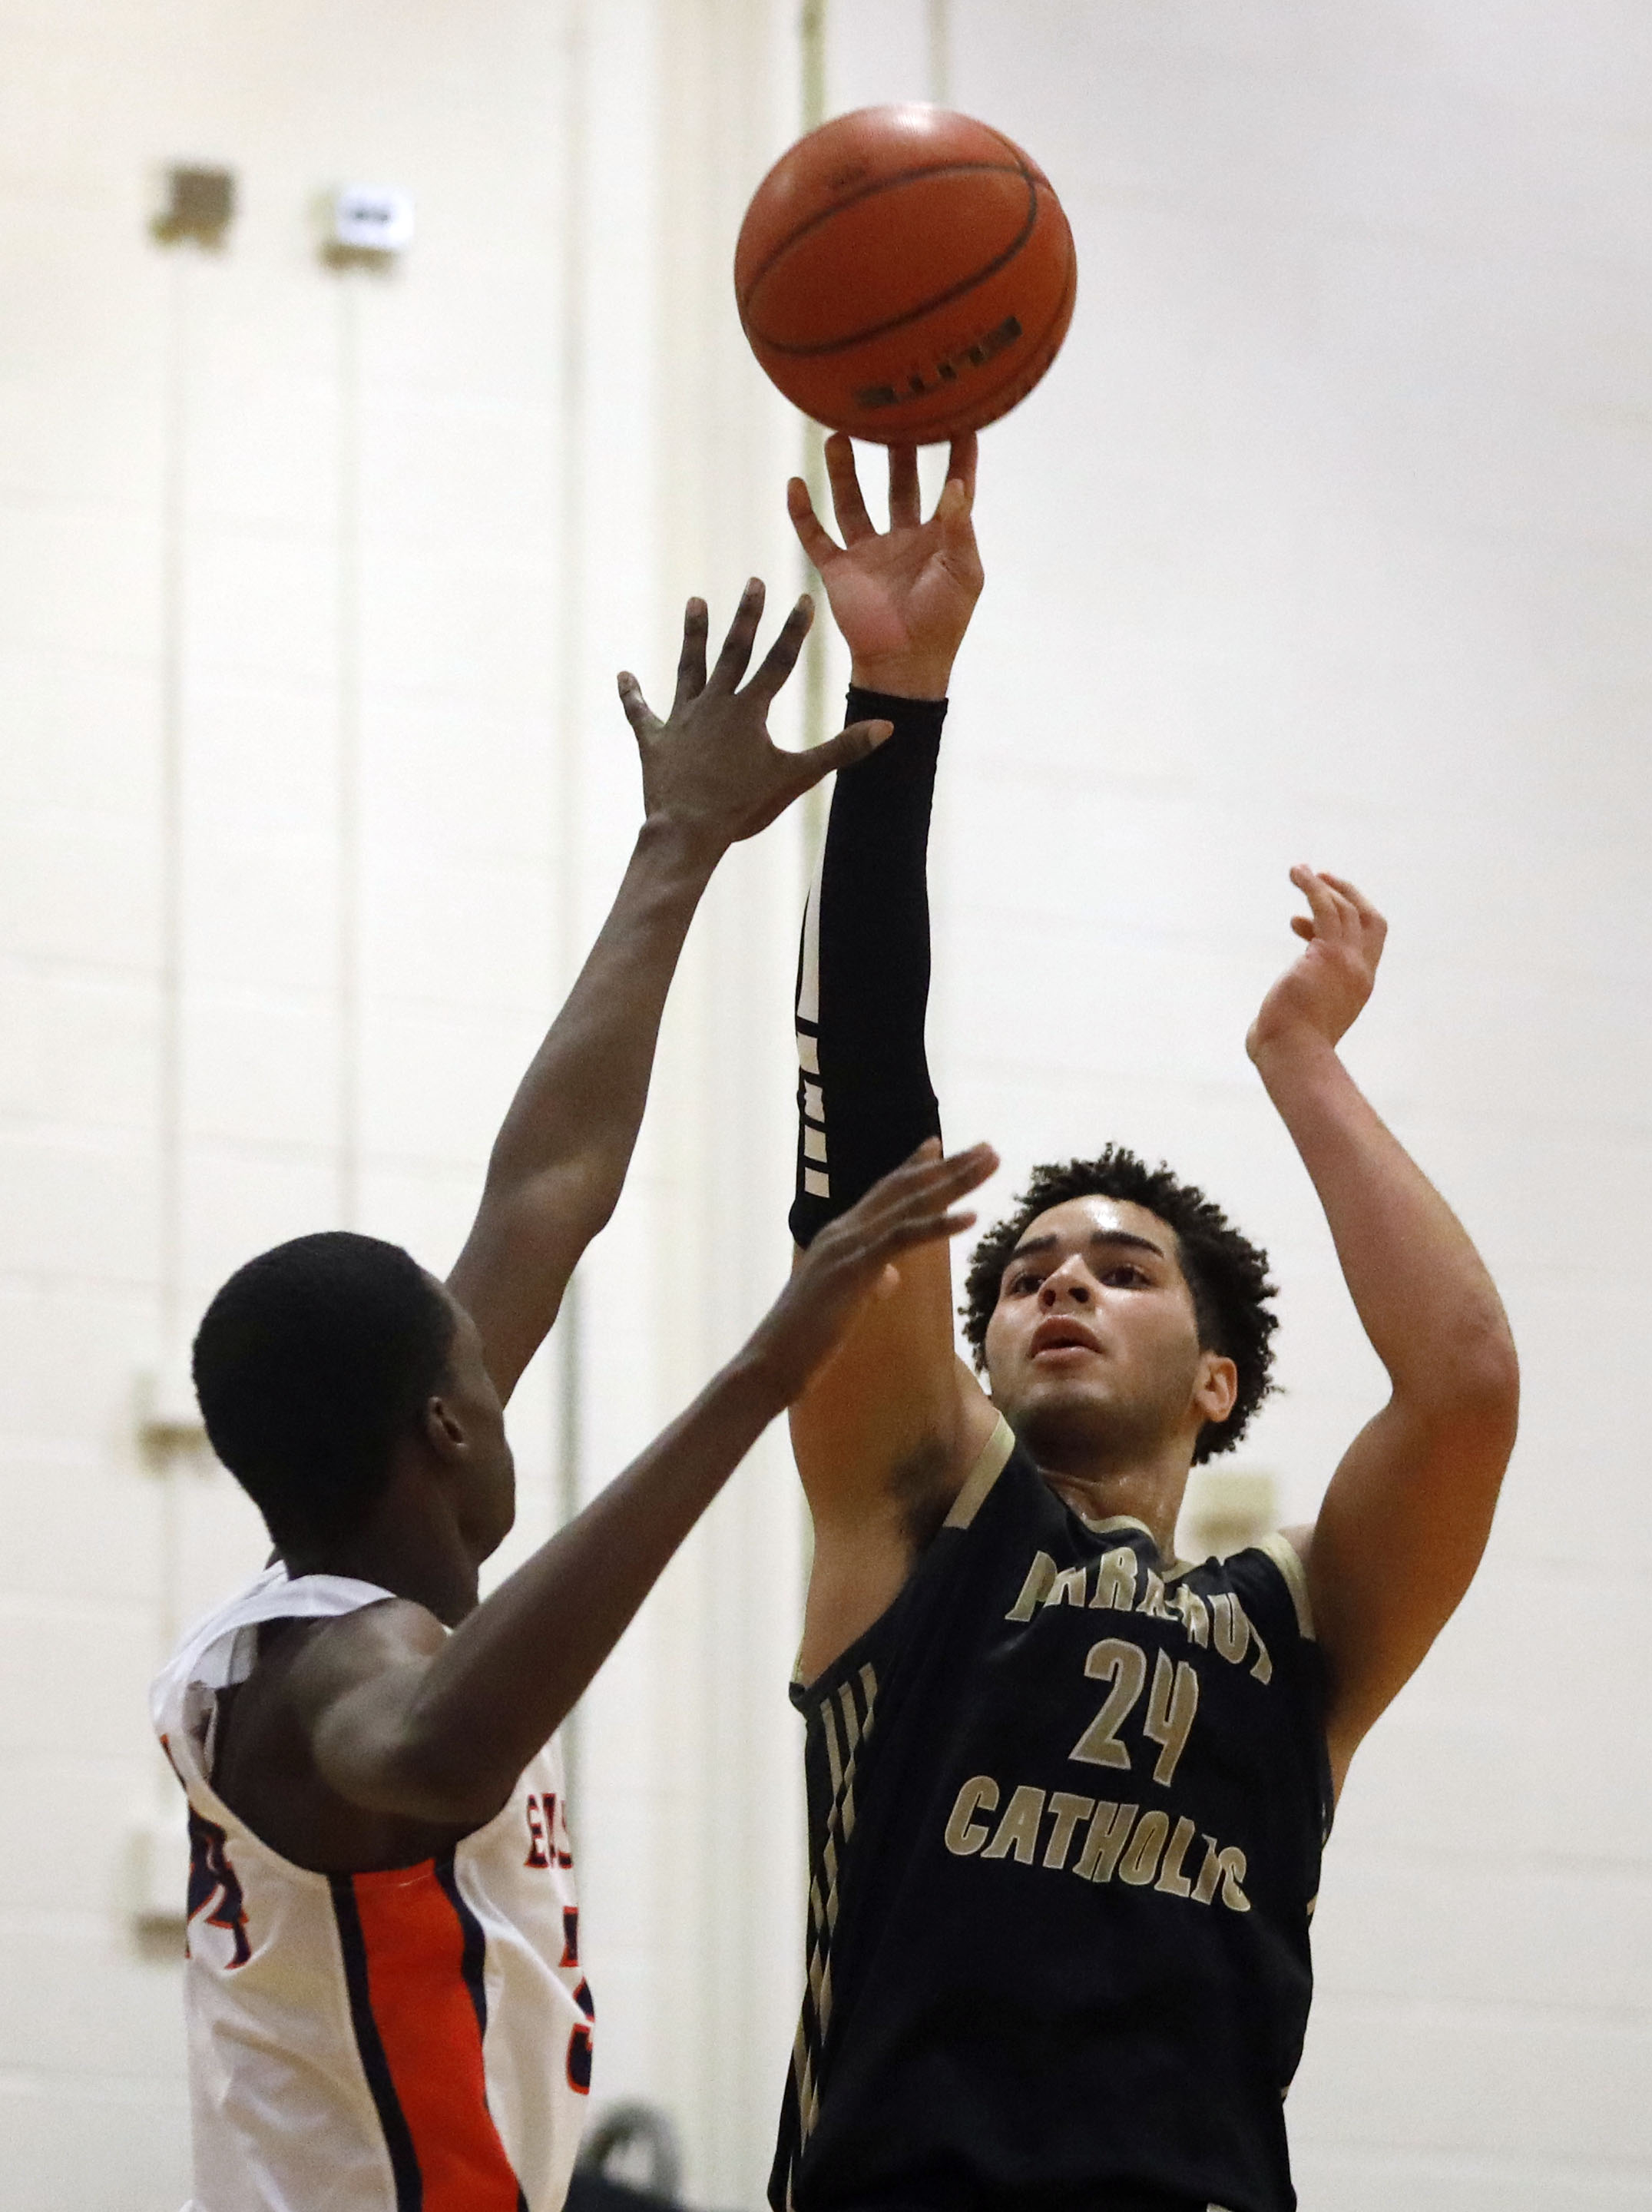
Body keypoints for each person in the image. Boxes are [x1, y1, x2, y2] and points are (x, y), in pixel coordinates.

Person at [151, 581, 998, 2212]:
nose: (501, 1350)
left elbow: (548, 1186)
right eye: (481, 1365)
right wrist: (761, 1372)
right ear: (444, 1429)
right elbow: (442, 1746)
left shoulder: (311, 1603)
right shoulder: (341, 1674)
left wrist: (677, 843)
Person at [771, 438, 1521, 2212]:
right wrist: (899, 702)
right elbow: (864, 1111)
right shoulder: (918, 1514)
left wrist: (1299, 1061)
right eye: (1027, 1266)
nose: (1056, 1281)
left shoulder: (1296, 1629)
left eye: (1119, 1269)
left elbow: (1466, 1383)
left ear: (1215, 1378)